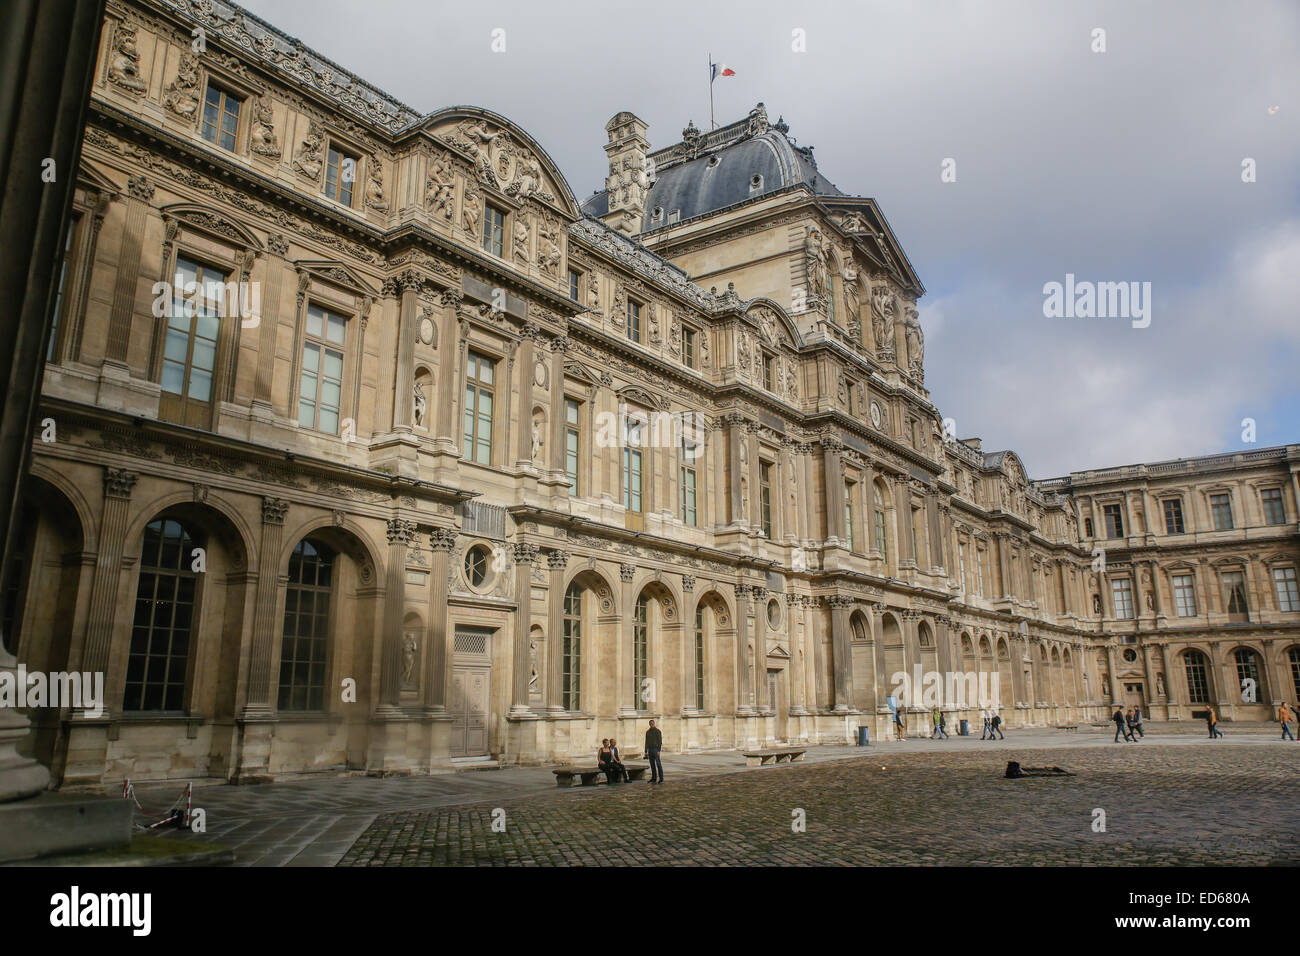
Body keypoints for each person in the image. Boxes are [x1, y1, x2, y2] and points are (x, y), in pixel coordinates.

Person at [645, 719, 664, 783]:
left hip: (656, 749)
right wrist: (645, 751)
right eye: (650, 723)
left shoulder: (657, 731)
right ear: (649, 724)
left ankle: (661, 779)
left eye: (652, 723)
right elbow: (646, 742)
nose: (652, 724)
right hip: (650, 749)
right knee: (652, 764)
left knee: (658, 764)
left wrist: (659, 750)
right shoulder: (648, 732)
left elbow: (660, 741)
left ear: (654, 724)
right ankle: (654, 778)